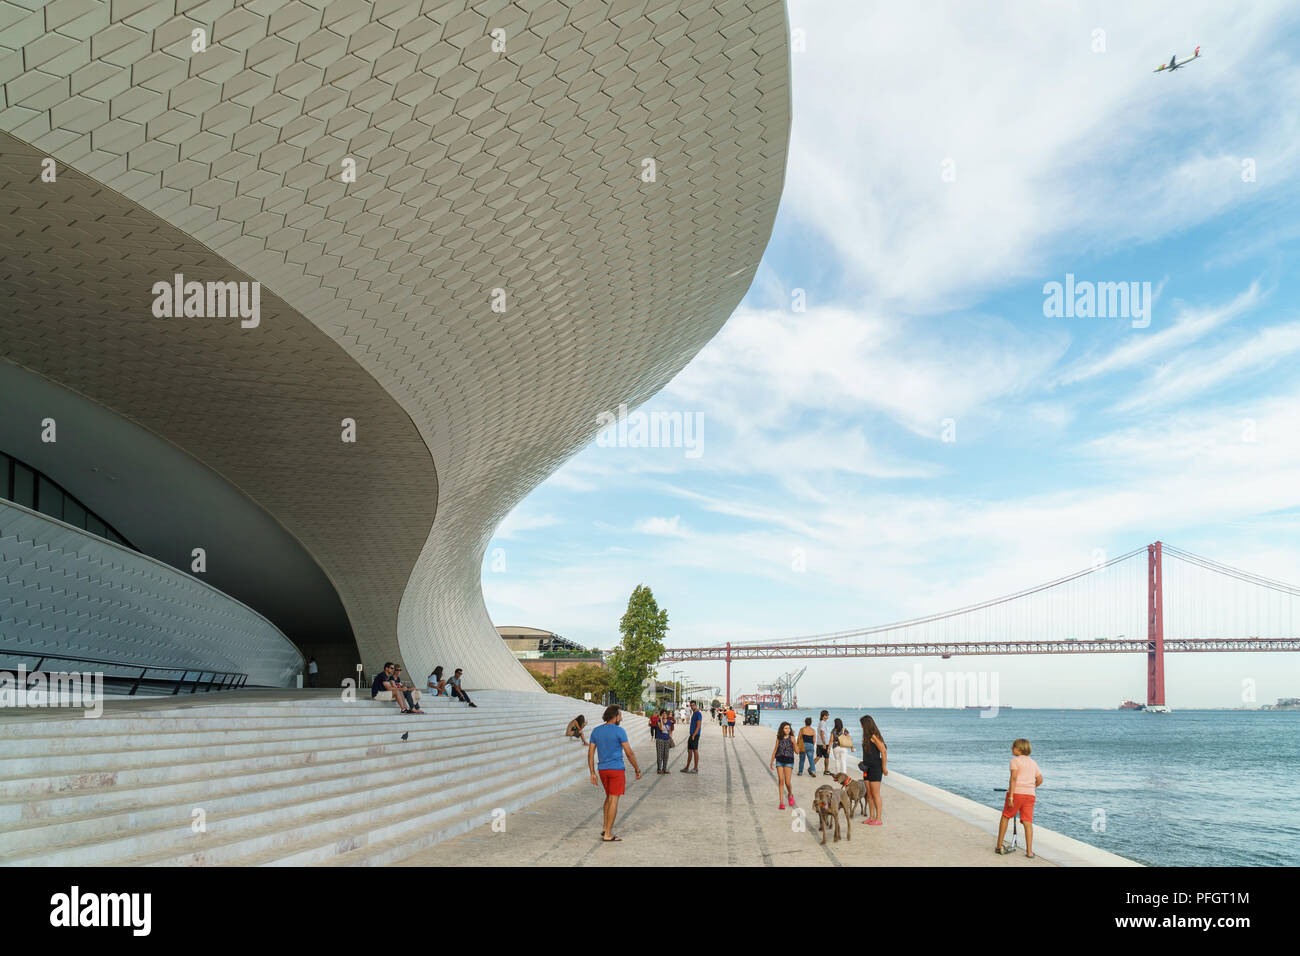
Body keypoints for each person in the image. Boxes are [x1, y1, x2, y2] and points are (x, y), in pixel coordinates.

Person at [588, 705, 641, 842]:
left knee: (608, 797)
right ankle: (608, 834)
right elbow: (629, 752)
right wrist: (637, 769)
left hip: (602, 770)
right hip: (616, 769)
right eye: (620, 715)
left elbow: (590, 753)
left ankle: (605, 827)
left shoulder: (596, 731)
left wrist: (592, 772)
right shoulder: (619, 731)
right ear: (615, 716)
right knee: (614, 799)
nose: (621, 718)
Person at [996, 738, 1043, 858]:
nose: (1011, 749)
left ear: (1020, 749)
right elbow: (1040, 780)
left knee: (1006, 816)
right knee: (1028, 822)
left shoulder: (1015, 761)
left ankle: (999, 846)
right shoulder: (1033, 762)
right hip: (1030, 795)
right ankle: (1029, 852)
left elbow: (1013, 778)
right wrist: (1030, 787)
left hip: (1016, 793)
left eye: (1013, 747)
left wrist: (1011, 796)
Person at [858, 715, 888, 825]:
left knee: (876, 794)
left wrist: (884, 768)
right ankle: (871, 817)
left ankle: (878, 819)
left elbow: (883, 751)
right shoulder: (866, 737)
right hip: (867, 768)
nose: (860, 726)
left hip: (876, 768)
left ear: (866, 725)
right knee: (869, 794)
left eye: (861, 724)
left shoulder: (874, 736)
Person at [769, 721, 797, 809]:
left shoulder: (792, 738)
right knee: (781, 781)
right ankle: (781, 803)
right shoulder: (778, 738)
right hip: (779, 761)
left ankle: (790, 794)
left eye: (789, 728)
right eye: (785, 728)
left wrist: (795, 742)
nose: (788, 730)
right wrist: (771, 761)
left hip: (789, 761)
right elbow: (775, 750)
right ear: (782, 729)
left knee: (787, 782)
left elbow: (797, 751)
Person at [681, 700, 702, 773]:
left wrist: (693, 735)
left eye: (693, 705)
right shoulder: (694, 713)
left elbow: (698, 726)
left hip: (695, 735)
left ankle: (696, 768)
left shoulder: (698, 714)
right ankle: (687, 767)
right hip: (691, 735)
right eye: (691, 705)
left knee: (695, 750)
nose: (692, 706)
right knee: (689, 751)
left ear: (696, 705)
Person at [654, 708, 674, 773]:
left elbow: (670, 731)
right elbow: (662, 729)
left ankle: (664, 769)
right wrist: (661, 719)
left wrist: (671, 739)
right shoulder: (658, 721)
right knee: (660, 754)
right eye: (663, 713)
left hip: (667, 740)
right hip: (660, 739)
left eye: (665, 713)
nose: (664, 715)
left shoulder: (669, 722)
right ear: (661, 715)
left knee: (666, 755)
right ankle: (659, 769)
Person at [816, 710, 832, 775]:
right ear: (824, 716)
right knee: (826, 757)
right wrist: (824, 743)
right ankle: (826, 771)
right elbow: (822, 733)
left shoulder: (820, 722)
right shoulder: (823, 723)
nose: (828, 716)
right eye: (827, 715)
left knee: (819, 756)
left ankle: (811, 767)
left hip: (819, 742)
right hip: (823, 743)